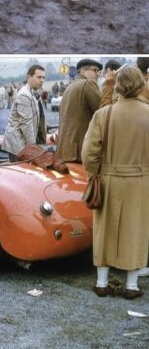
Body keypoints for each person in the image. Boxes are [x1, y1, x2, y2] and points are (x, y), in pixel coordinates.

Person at [82, 65, 149, 299]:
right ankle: (131, 285)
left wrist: (94, 173)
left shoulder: (104, 114)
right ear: (141, 84)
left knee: (105, 230)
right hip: (141, 182)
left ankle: (102, 282)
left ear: (118, 85)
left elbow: (89, 153)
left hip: (109, 179)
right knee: (137, 231)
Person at [56, 58, 102, 163]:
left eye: (98, 71)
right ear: (82, 72)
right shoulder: (88, 84)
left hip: (65, 150)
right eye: (94, 70)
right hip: (79, 152)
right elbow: (104, 111)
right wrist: (109, 87)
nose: (98, 74)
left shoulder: (70, 87)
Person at [1, 65, 47, 157]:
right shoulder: (24, 95)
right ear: (29, 77)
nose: (42, 80)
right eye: (38, 77)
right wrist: (34, 149)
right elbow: (26, 124)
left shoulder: (32, 93)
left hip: (22, 144)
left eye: (43, 77)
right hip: (19, 146)